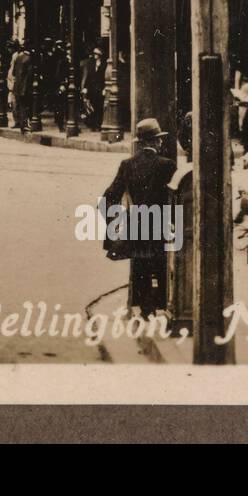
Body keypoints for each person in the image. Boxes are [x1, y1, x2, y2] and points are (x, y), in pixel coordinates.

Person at [100, 118, 177, 317]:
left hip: (136, 223)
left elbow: (108, 198)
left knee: (140, 266)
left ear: (141, 143)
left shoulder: (127, 165)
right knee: (161, 266)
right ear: (155, 142)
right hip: (160, 224)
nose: (160, 143)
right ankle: (161, 308)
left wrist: (114, 227)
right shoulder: (167, 165)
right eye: (159, 140)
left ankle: (144, 311)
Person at [79, 46, 106, 131]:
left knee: (99, 107)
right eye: (94, 53)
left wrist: (105, 88)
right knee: (92, 107)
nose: (95, 55)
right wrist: (85, 87)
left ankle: (98, 124)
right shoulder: (91, 63)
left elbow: (105, 78)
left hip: (100, 89)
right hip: (91, 88)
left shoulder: (104, 64)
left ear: (100, 55)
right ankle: (93, 125)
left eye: (96, 54)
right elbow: (88, 77)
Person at [9, 40, 33, 132]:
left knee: (20, 105)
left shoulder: (19, 57)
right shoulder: (29, 58)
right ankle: (26, 124)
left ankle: (22, 124)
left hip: (17, 86)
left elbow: (14, 72)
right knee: (26, 105)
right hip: (25, 86)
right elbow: (29, 75)